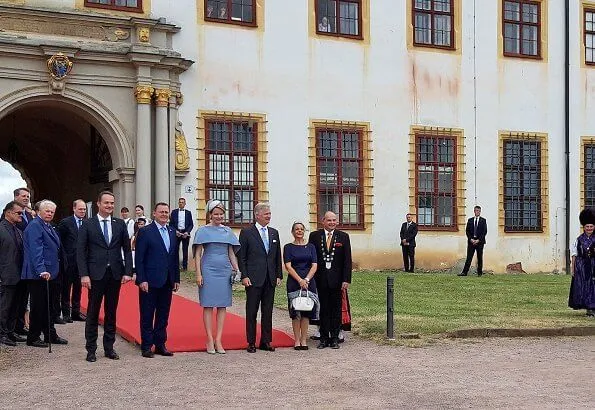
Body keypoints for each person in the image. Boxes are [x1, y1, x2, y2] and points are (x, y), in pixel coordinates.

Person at [77, 191, 133, 362]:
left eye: (112, 203)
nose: (109, 206)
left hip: (115, 274)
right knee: (93, 312)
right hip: (95, 275)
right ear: (98, 204)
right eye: (106, 203)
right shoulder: (88, 224)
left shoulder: (119, 224)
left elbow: (127, 249)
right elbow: (81, 251)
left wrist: (128, 272)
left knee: (111, 312)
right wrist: (84, 275)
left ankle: (109, 348)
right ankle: (91, 349)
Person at [193, 200, 240, 354]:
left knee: (222, 305)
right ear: (210, 215)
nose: (219, 216)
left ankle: (218, 339)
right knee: (208, 304)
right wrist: (198, 274)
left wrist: (237, 270)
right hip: (208, 269)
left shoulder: (227, 231)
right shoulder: (202, 231)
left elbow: (231, 253)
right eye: (216, 214)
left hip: (224, 270)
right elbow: (198, 254)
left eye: (221, 214)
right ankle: (209, 338)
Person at [135, 203, 180, 358]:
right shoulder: (145, 232)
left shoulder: (172, 231)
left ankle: (160, 344)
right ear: (154, 213)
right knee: (147, 314)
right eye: (161, 212)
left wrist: (176, 279)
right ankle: (146, 346)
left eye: (166, 212)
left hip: (167, 281)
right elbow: (139, 258)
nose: (164, 214)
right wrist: (141, 279)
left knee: (163, 315)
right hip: (150, 280)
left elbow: (174, 258)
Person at [21, 200, 67, 348]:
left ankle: (49, 334)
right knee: (39, 307)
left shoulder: (47, 226)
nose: (49, 213)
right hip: (39, 274)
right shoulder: (35, 226)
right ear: (39, 211)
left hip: (50, 272)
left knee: (48, 306)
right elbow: (36, 250)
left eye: (52, 211)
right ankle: (33, 337)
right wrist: (41, 270)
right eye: (47, 211)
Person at [238, 203, 282, 353]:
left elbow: (277, 256)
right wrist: (244, 275)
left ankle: (266, 341)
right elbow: (241, 256)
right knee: (252, 311)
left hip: (270, 278)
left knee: (267, 311)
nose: (269, 216)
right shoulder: (246, 232)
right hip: (253, 278)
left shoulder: (274, 233)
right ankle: (251, 342)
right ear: (257, 215)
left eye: (269, 214)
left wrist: (278, 275)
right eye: (266, 214)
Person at [308, 211, 352, 349]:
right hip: (320, 279)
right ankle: (323, 338)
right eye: (329, 220)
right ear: (323, 221)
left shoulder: (343, 237)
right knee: (323, 309)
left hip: (337, 280)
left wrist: (346, 279)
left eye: (334, 220)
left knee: (336, 309)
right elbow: (311, 257)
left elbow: (347, 260)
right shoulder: (314, 236)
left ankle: (334, 338)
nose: (332, 222)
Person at [284, 222, 319, 350]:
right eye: (297, 229)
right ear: (292, 232)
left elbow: (314, 265)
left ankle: (304, 340)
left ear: (304, 231)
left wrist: (307, 279)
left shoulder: (311, 247)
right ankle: (296, 340)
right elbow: (288, 265)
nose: (299, 231)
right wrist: (299, 280)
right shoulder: (288, 247)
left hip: (309, 281)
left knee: (306, 311)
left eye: (301, 229)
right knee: (295, 311)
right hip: (294, 281)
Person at [56, 199, 87, 323]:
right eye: (80, 209)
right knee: (66, 288)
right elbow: (59, 241)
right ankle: (66, 314)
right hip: (68, 262)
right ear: (74, 209)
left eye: (84, 209)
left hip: (81, 263)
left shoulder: (87, 223)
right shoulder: (65, 222)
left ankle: (75, 313)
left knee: (78, 289)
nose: (82, 211)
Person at [0, 201, 25, 346]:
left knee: (16, 306)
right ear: (8, 212)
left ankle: (10, 331)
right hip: (6, 275)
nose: (21, 216)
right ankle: (2, 333)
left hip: (19, 275)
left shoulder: (18, 230)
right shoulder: (1, 229)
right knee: (5, 306)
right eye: (18, 213)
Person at [569, 208, 595, 317]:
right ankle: (588, 308)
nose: (589, 228)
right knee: (584, 286)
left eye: (591, 226)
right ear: (584, 227)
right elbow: (574, 254)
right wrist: (573, 267)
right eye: (587, 227)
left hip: (594, 265)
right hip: (582, 266)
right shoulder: (578, 239)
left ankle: (592, 307)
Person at [459, 206, 487, 276]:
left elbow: (484, 232)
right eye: (476, 210)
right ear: (474, 211)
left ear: (480, 212)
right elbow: (467, 231)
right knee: (469, 257)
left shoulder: (483, 220)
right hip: (471, 241)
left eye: (479, 211)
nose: (477, 212)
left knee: (479, 257)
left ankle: (479, 273)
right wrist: (470, 239)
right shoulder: (470, 220)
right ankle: (464, 272)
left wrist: (478, 240)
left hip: (480, 242)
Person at [170, 197, 194, 270]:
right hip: (176, 233)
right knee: (175, 249)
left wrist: (187, 232)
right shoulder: (174, 212)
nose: (181, 203)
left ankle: (185, 267)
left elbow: (191, 224)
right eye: (180, 202)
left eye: (182, 202)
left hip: (185, 233)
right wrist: (175, 231)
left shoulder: (188, 213)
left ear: (185, 204)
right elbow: (171, 224)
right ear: (178, 203)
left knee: (185, 250)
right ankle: (176, 266)